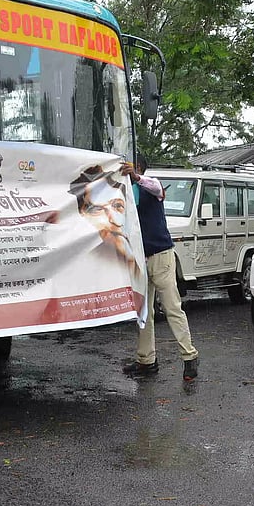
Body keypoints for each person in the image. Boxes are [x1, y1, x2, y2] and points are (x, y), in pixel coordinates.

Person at [119, 157, 200, 381]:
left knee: (172, 308)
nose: (126, 171)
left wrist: (136, 178)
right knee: (144, 312)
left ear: (139, 169)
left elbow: (157, 188)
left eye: (131, 168)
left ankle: (189, 356)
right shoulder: (124, 193)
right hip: (141, 260)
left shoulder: (149, 185)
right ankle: (146, 360)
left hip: (162, 256)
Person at [70, 164, 138, 274]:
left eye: (117, 206)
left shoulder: (134, 251)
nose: (114, 220)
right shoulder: (79, 261)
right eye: (97, 209)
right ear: (82, 213)